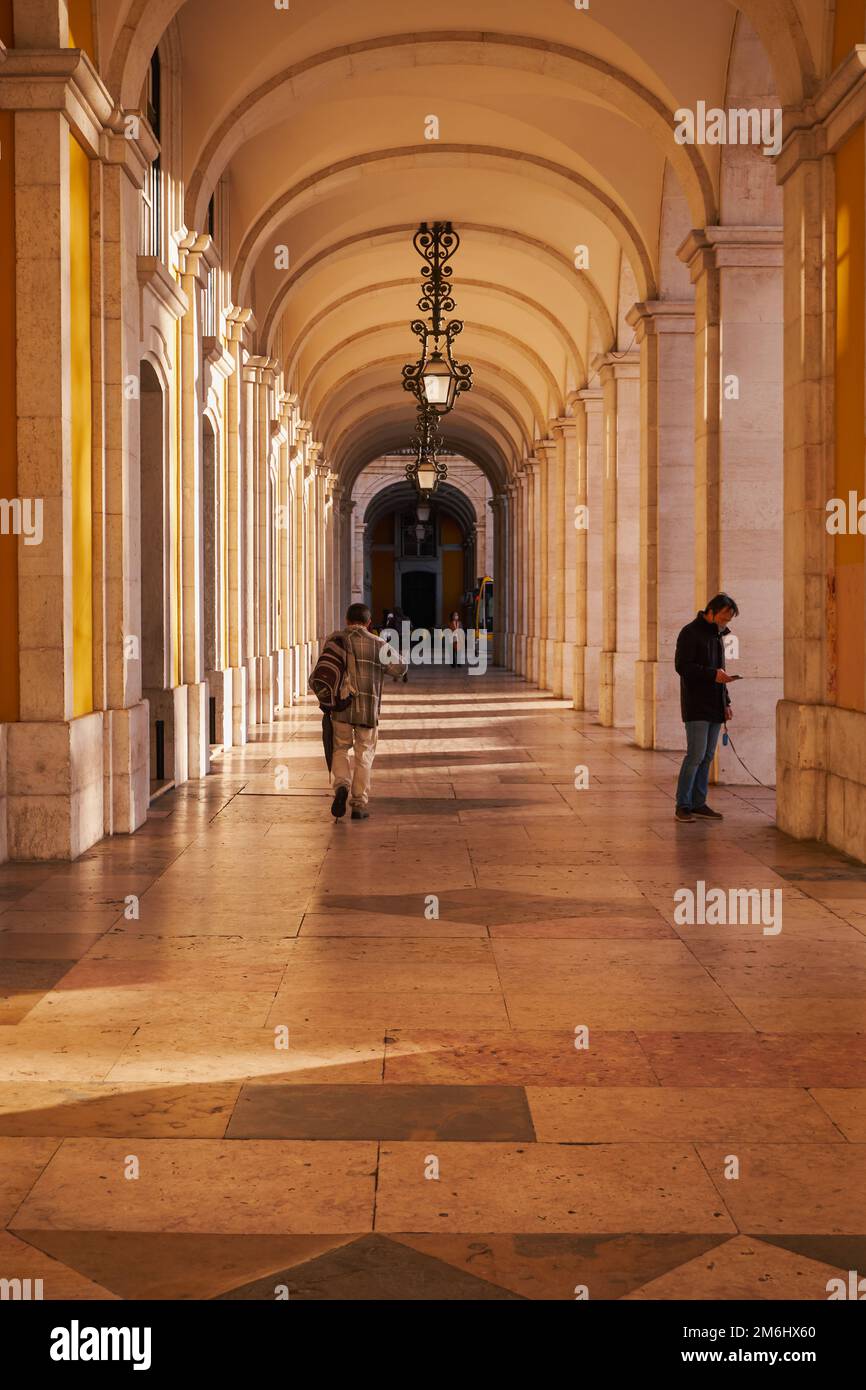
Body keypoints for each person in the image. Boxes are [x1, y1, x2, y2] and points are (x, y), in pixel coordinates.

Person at [329, 603, 407, 821]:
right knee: (364, 755)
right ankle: (358, 803)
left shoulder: (334, 641)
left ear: (346, 620)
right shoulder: (377, 644)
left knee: (340, 749)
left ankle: (342, 784)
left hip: (340, 708)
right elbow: (401, 669)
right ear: (368, 622)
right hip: (367, 710)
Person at [673, 593, 739, 823]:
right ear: (710, 612)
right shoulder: (690, 633)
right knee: (695, 755)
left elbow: (720, 670)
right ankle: (683, 804)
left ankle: (699, 802)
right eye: (723, 618)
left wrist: (726, 702)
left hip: (715, 704)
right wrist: (712, 675)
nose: (725, 623)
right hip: (697, 704)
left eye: (728, 620)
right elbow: (683, 667)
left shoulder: (717, 636)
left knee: (708, 755)